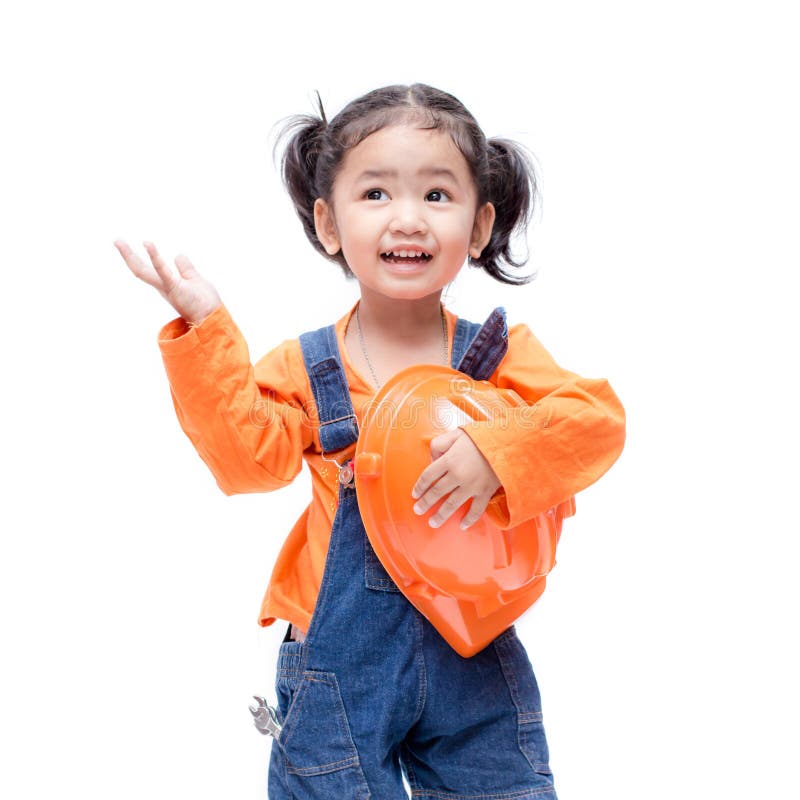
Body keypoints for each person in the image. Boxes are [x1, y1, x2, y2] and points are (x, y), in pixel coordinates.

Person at [114, 83, 625, 799]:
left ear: (479, 226)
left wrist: (500, 451)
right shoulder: (309, 367)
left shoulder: (498, 357)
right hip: (338, 665)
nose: (407, 219)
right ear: (328, 222)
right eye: (376, 193)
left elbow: (597, 420)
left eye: (437, 196)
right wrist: (206, 334)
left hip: (474, 645)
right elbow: (246, 463)